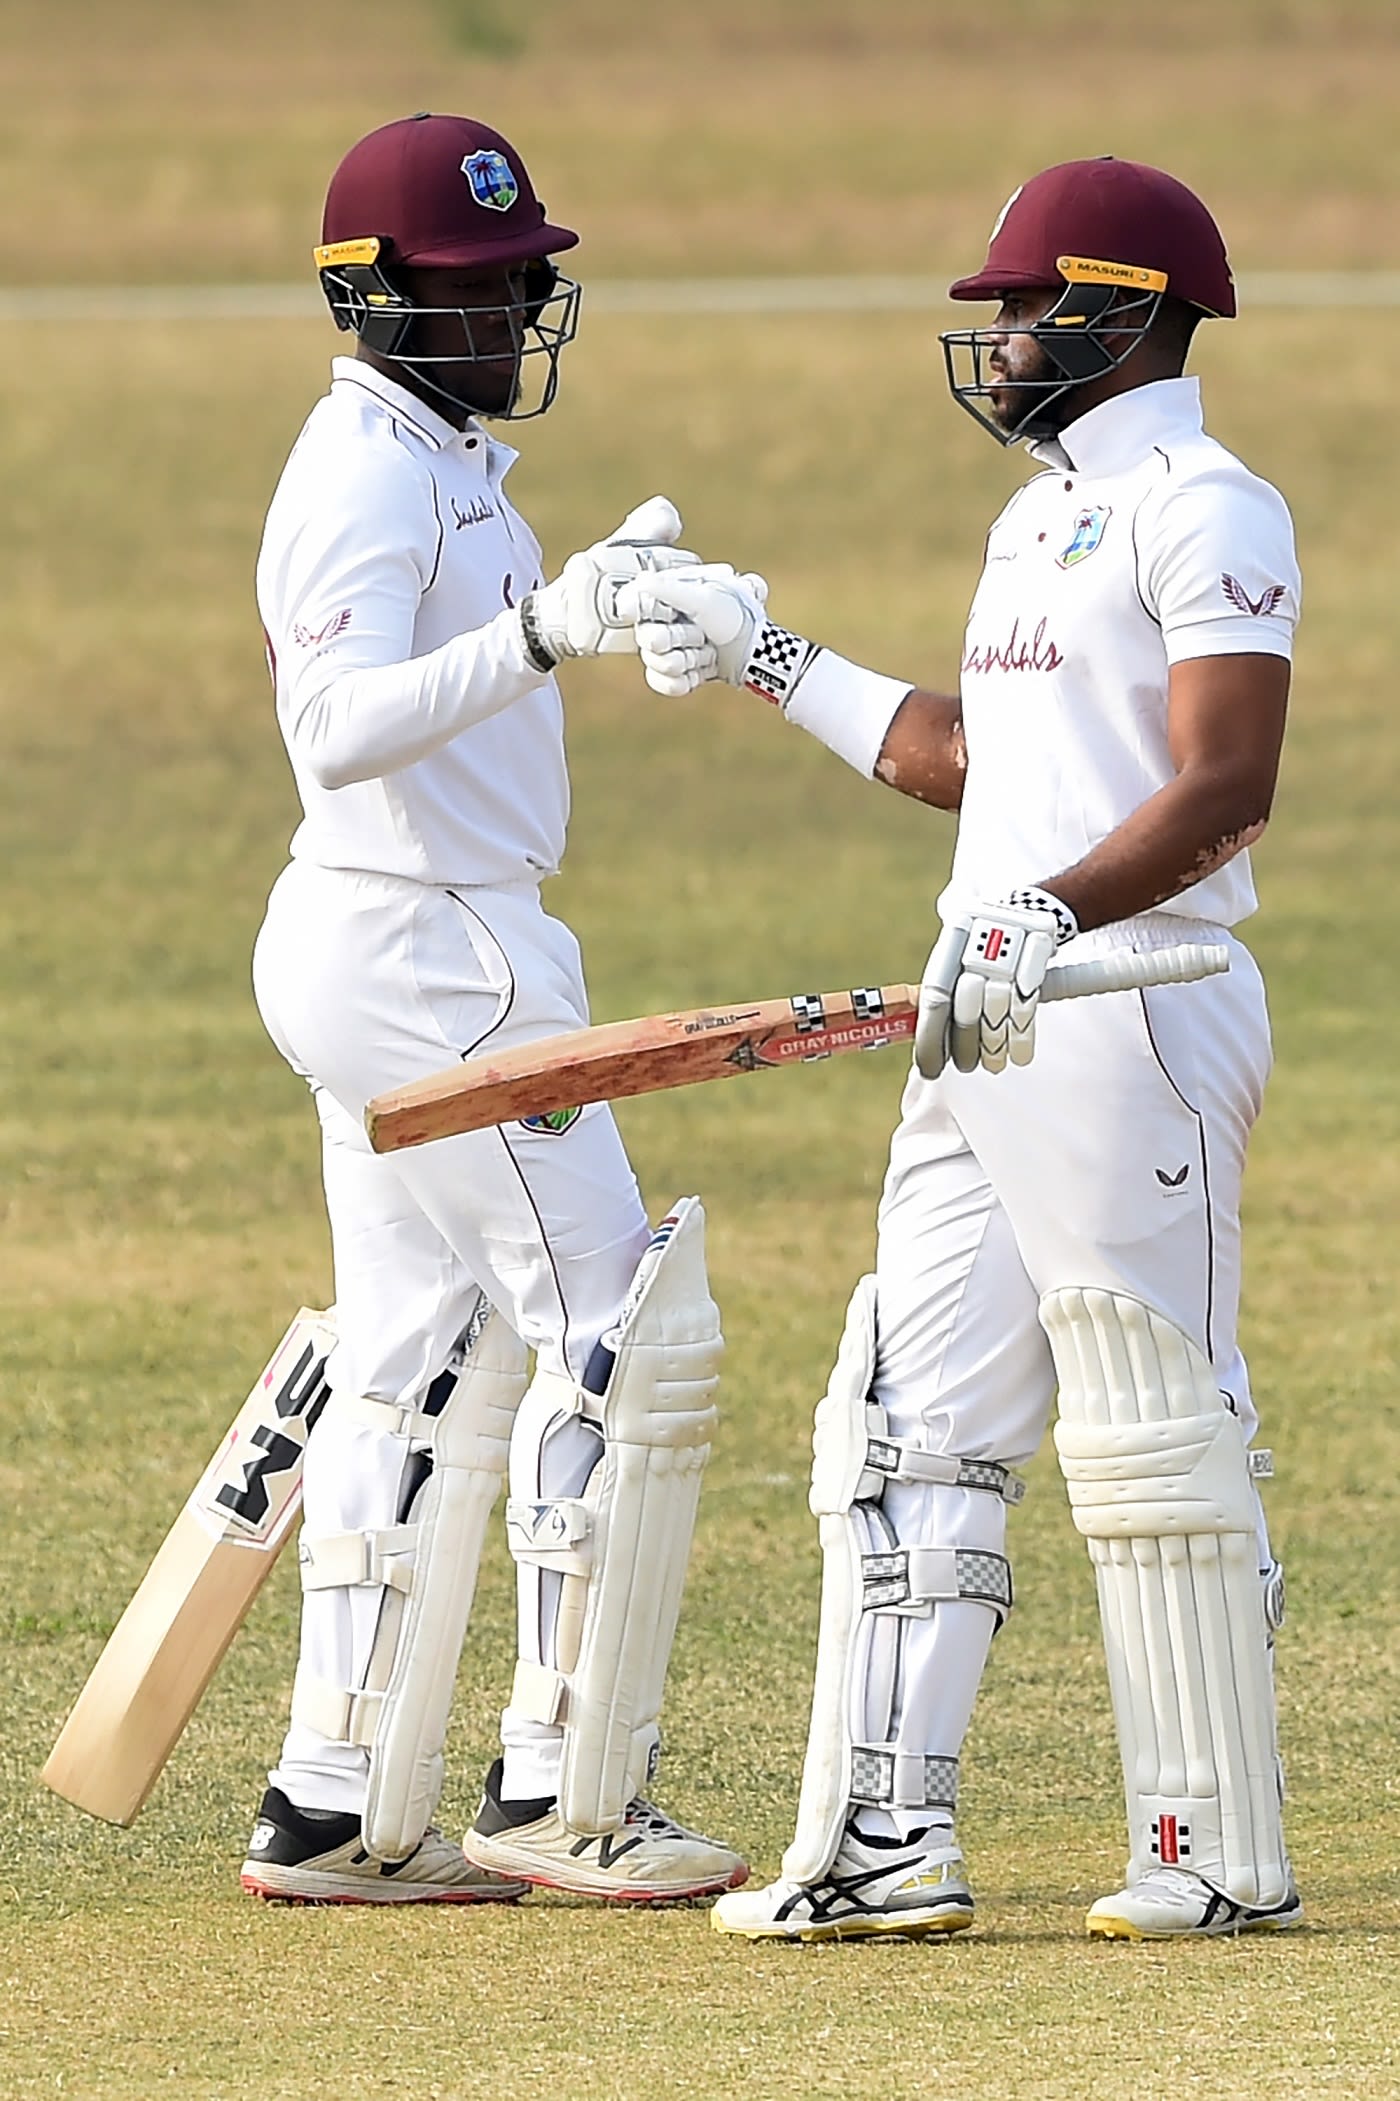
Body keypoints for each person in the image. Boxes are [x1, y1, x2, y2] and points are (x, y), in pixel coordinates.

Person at [626, 157, 1301, 1942]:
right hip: (981, 1000)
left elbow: (1227, 786)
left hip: (1125, 998)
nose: (995, 336)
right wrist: (767, 652)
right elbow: (974, 765)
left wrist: (1052, 918)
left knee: (1152, 1421)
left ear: (1129, 311)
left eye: (1024, 305)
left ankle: (1213, 1847)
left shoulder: (1204, 502)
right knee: (905, 1420)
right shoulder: (1039, 516)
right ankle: (883, 1837)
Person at [240, 111, 747, 1906]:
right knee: (614, 1315)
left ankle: (330, 1799)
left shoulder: (434, 454)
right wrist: (548, 632)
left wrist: (599, 596)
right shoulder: (364, 472)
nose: (523, 299)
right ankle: (564, 1786)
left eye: (526, 269)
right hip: (427, 949)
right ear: (379, 302)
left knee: (414, 1347)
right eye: (482, 282)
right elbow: (336, 728)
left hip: (416, 938)